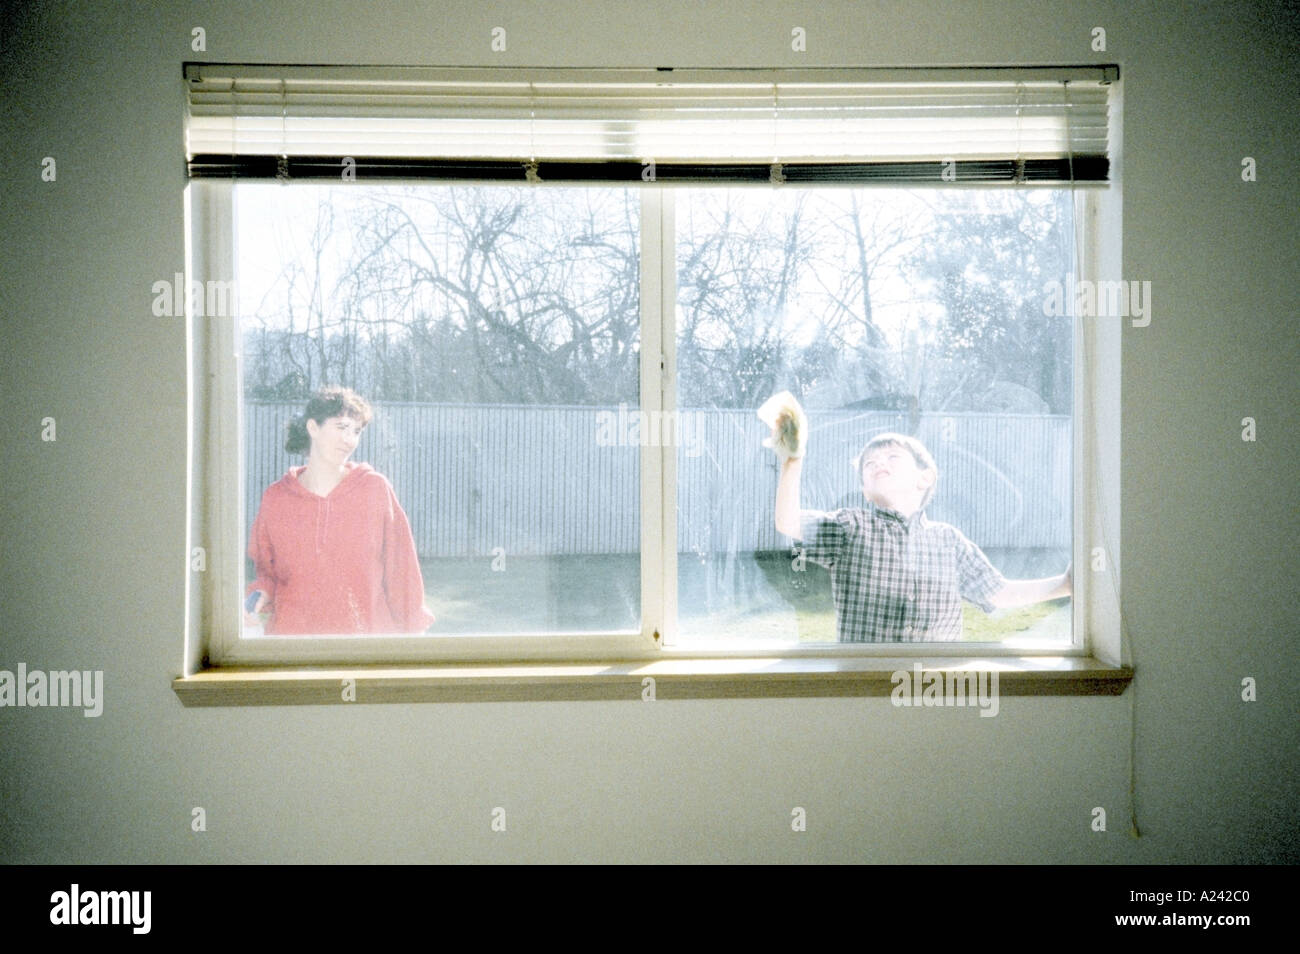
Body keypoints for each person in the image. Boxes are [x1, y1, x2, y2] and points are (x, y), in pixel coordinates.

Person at [771, 419, 1069, 642]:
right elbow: (789, 522)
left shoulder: (948, 541)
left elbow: (998, 593)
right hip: (863, 680)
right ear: (865, 491)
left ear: (925, 477)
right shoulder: (851, 527)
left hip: (932, 685)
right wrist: (792, 461)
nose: (878, 464)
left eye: (892, 457)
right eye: (869, 464)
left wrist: (1067, 584)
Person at [244, 387, 435, 636]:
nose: (350, 440)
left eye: (356, 431)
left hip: (365, 648)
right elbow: (267, 574)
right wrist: (257, 596)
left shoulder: (375, 489)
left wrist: (414, 636)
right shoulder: (276, 497)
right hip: (294, 651)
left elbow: (402, 572)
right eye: (342, 428)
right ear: (313, 428)